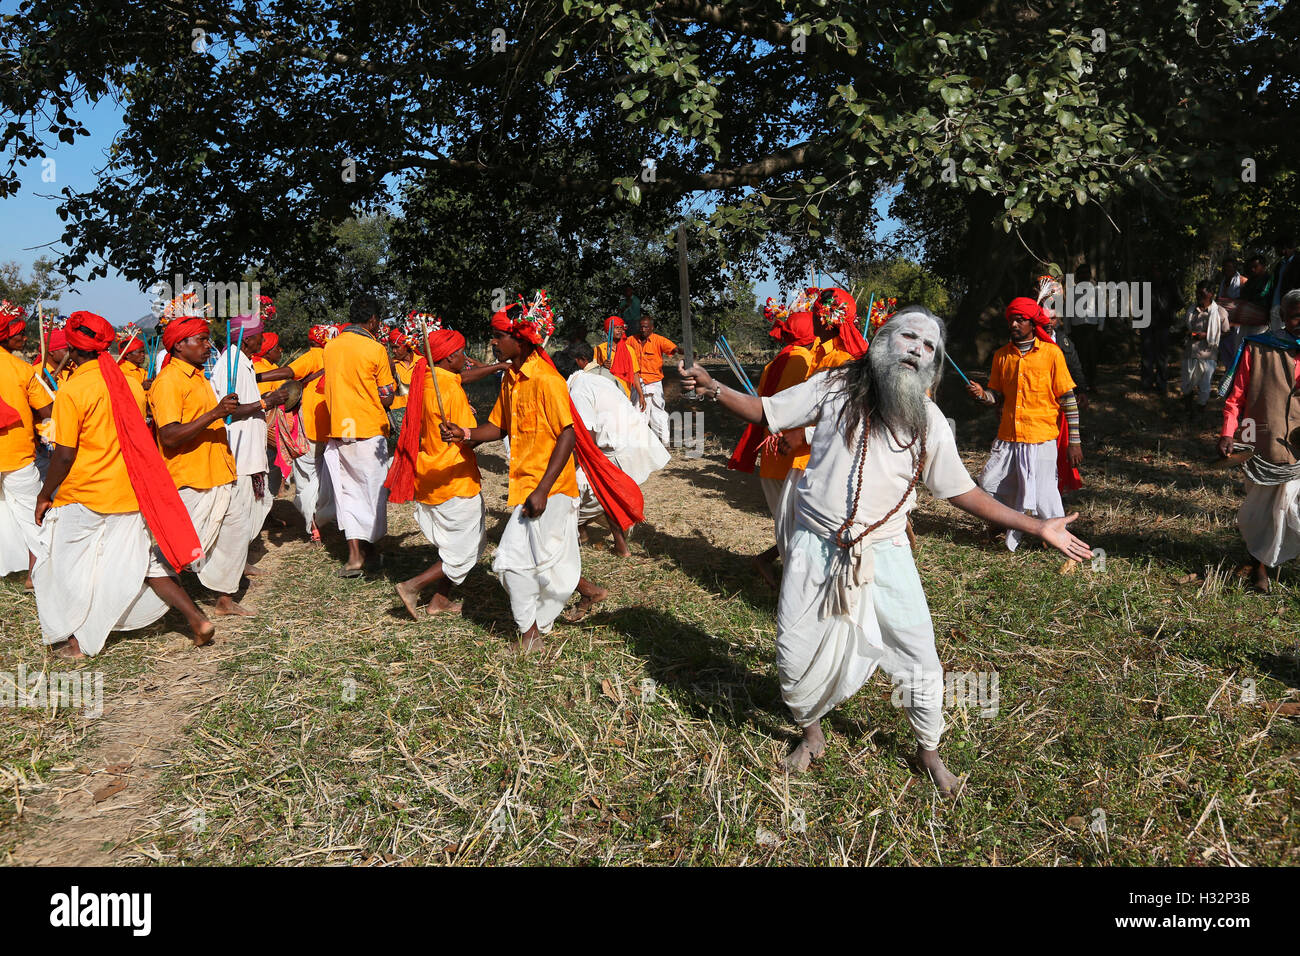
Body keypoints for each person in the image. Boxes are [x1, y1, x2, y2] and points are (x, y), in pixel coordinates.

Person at [679, 308, 1092, 787]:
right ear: (882, 343)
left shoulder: (929, 420)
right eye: (909, 336)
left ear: (934, 366)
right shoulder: (833, 387)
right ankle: (812, 735)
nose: (918, 348)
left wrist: (1037, 526)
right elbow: (768, 413)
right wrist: (714, 388)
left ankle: (928, 751)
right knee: (796, 652)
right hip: (815, 544)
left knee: (919, 655)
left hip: (886, 550)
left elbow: (963, 491)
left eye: (930, 346)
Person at [439, 301, 631, 655]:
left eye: (498, 336)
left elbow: (568, 435)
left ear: (521, 341)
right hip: (528, 487)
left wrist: (543, 490)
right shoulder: (512, 379)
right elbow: (499, 426)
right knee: (546, 560)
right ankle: (576, 600)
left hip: (550, 490)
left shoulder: (547, 380)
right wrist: (465, 434)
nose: (493, 343)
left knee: (508, 563)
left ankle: (531, 636)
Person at [31, 312, 212, 659]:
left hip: (85, 495)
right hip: (130, 492)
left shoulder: (72, 390)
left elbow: (65, 455)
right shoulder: (129, 383)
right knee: (145, 565)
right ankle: (196, 619)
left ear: (71, 348)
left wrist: (44, 494)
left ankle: (78, 643)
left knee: (63, 568)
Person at [151, 315, 284, 616]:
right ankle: (159, 594)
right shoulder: (168, 382)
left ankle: (224, 600)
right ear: (180, 345)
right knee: (174, 549)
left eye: (208, 339)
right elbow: (169, 436)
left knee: (235, 533)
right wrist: (215, 414)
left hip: (220, 472)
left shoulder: (197, 377)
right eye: (202, 340)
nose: (209, 346)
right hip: (190, 478)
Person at [385, 325, 487, 618]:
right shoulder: (450, 388)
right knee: (465, 549)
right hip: (453, 476)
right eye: (461, 353)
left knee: (458, 545)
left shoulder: (425, 381)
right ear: (449, 357)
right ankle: (413, 586)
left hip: (430, 472)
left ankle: (440, 600)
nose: (464, 358)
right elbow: (471, 437)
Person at [967, 298, 1083, 552]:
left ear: (1033, 323)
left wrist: (1074, 441)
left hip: (1041, 438)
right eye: (1012, 319)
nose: (1015, 323)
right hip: (1009, 436)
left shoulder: (1052, 354)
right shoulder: (1001, 356)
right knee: (989, 483)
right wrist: (981, 395)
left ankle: (1057, 535)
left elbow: (1069, 401)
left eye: (1020, 319)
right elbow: (996, 396)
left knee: (1045, 496)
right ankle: (1000, 525)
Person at [728, 301, 816, 587]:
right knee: (796, 529)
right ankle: (794, 590)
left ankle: (780, 572)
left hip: (778, 453)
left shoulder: (779, 360)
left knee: (793, 525)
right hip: (791, 454)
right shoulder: (802, 361)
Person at [1218, 289, 1300, 593]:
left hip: (1298, 447)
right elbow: (1236, 396)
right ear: (1282, 317)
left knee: (1291, 507)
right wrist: (1228, 432)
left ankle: (1274, 559)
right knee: (1263, 509)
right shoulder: (1259, 347)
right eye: (1295, 315)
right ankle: (1261, 566)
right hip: (1261, 440)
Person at [555, 340, 670, 557]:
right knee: (608, 491)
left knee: (585, 489)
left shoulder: (578, 390)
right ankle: (612, 542)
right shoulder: (595, 380)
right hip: (629, 439)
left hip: (619, 446)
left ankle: (579, 531)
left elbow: (586, 437)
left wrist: (566, 465)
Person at [323, 295, 395, 576]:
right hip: (368, 429)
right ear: (374, 320)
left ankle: (355, 556)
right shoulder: (375, 348)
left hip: (340, 429)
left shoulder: (330, 347)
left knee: (348, 493)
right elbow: (387, 396)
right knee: (373, 493)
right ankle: (373, 551)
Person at [210, 313, 275, 549]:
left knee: (251, 507)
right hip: (239, 451)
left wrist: (263, 400)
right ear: (246, 339)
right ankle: (235, 562)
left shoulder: (243, 362)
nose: (263, 341)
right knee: (238, 511)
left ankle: (240, 559)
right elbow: (228, 410)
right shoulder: (231, 365)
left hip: (249, 450)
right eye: (259, 336)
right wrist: (266, 403)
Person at [0, 304, 52, 585]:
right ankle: (41, 575)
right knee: (34, 517)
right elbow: (49, 413)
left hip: (17, 456)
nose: (24, 339)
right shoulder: (22, 370)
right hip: (17, 457)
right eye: (18, 334)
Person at [626, 316, 679, 444]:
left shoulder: (659, 340)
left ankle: (663, 442)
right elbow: (621, 348)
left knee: (657, 412)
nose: (643, 329)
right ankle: (639, 442)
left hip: (654, 382)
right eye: (641, 327)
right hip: (637, 381)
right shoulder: (632, 340)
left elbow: (674, 349)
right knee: (637, 411)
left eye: (646, 327)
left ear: (652, 328)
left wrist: (687, 353)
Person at [1180, 282, 1229, 411]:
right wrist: (1190, 334)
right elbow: (1185, 328)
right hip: (1191, 352)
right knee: (1187, 383)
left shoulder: (1219, 312)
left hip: (1208, 354)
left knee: (1204, 384)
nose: (1198, 296)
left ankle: (1201, 410)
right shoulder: (1191, 310)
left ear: (1211, 294)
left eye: (1202, 293)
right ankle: (1188, 410)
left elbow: (1226, 331)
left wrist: (1207, 335)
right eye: (1197, 292)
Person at [593, 315, 646, 411]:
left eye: (621, 328)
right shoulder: (599, 349)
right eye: (616, 328)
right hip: (606, 394)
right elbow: (593, 372)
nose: (620, 331)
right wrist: (602, 366)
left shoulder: (629, 350)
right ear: (608, 330)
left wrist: (641, 395)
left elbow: (635, 374)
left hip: (624, 394)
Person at [386, 324, 415, 438]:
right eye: (392, 347)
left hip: (418, 413)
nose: (393, 351)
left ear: (407, 345)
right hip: (396, 416)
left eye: (396, 347)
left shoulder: (422, 363)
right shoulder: (390, 365)